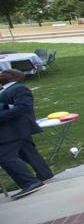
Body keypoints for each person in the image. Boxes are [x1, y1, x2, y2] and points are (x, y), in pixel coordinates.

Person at [0, 69, 51, 199]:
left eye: (2, 73)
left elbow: (23, 107)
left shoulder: (18, 88)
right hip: (13, 128)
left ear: (13, 76)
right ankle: (44, 174)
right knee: (27, 152)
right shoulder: (5, 89)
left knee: (5, 157)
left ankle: (30, 182)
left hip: (14, 128)